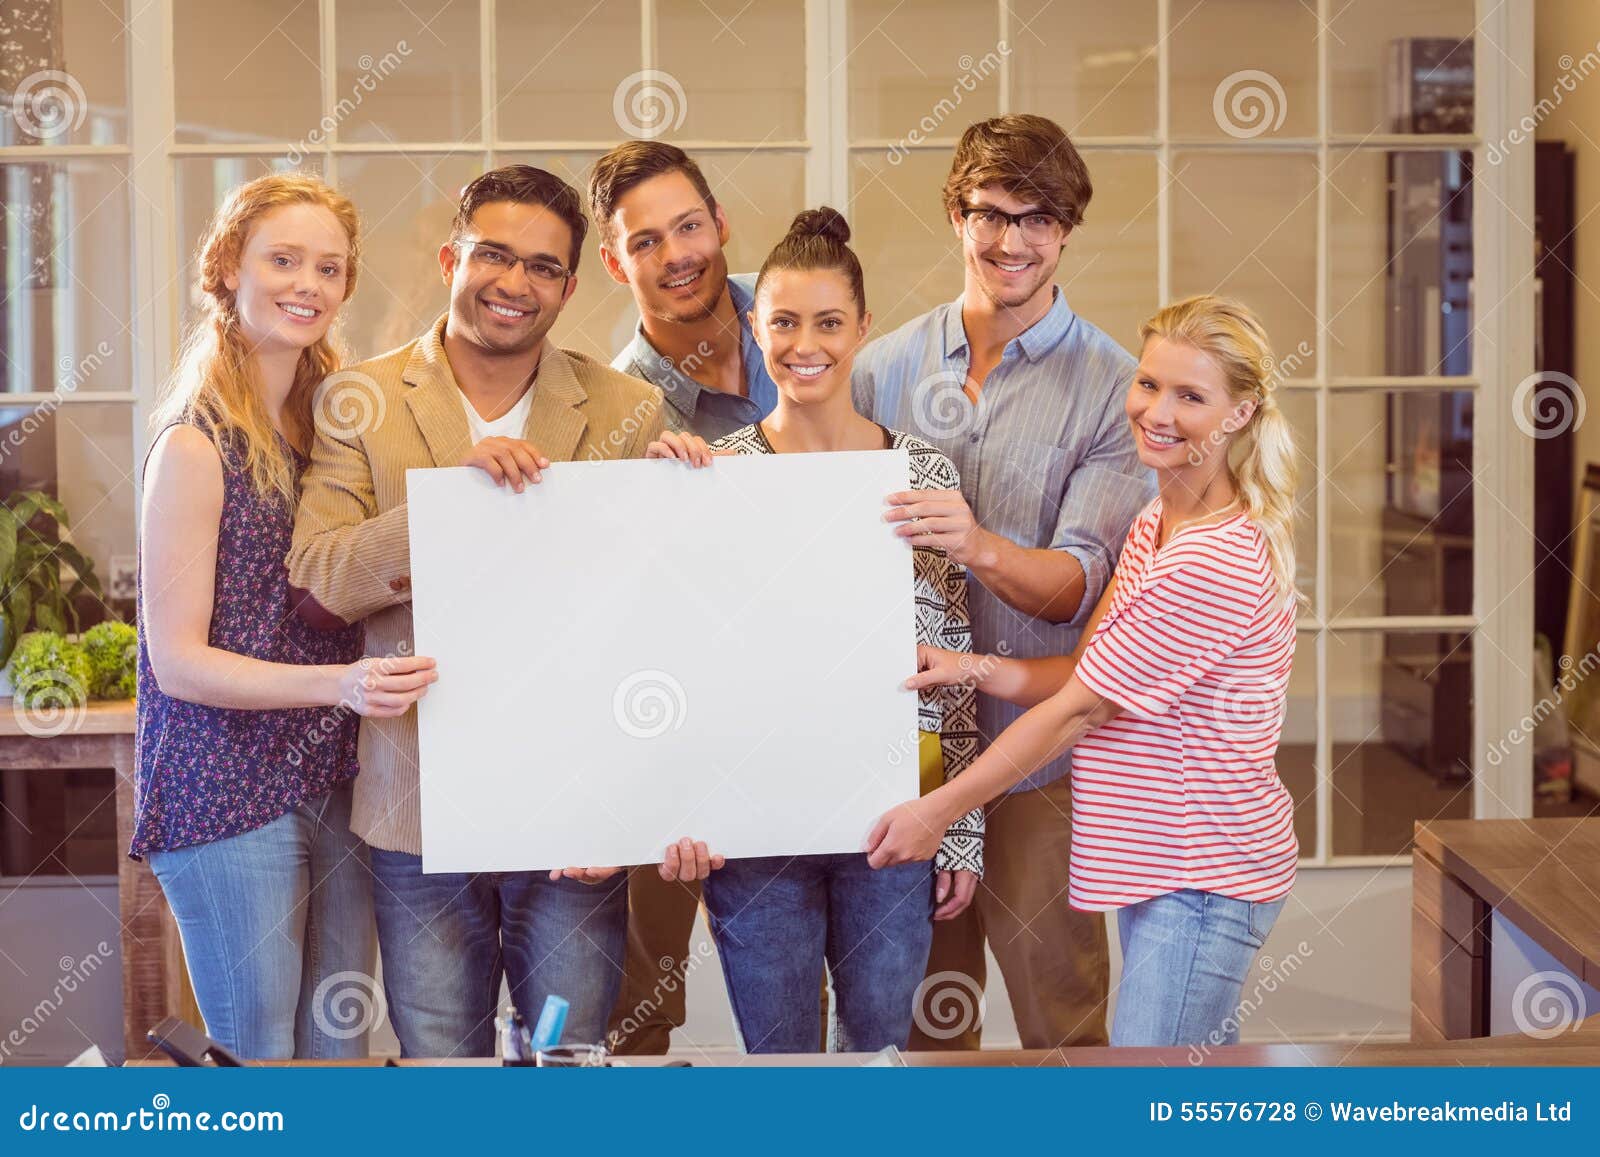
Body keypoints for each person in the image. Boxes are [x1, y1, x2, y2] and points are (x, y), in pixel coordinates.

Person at [286, 165, 668, 1058]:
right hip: (419, 810)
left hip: (576, 811)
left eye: (542, 267)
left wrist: (629, 802)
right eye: (494, 255)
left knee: (569, 1068)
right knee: (441, 1071)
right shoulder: (360, 401)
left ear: (570, 288)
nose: (514, 283)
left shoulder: (629, 407)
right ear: (453, 257)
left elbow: (655, 615)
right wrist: (441, 510)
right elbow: (316, 580)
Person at [866, 294, 1302, 1048]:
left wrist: (936, 810)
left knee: (1141, 1109)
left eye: (1190, 396)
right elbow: (1082, 671)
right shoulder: (1156, 522)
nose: (1156, 411)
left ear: (1239, 414)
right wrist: (969, 666)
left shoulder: (1208, 561)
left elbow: (1076, 711)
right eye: (1149, 384)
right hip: (1165, 867)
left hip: (1201, 876)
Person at [649, 207, 985, 1053]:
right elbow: (680, 666)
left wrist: (961, 826)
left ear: (863, 328)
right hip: (755, 830)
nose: (808, 343)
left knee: (878, 1057)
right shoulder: (713, 474)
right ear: (755, 329)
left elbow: (944, 664)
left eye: (830, 322)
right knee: (781, 1067)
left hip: (890, 822)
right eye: (786, 321)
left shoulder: (920, 474)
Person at [852, 113, 1153, 1049]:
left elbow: (1075, 593)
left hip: (1039, 765)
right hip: (904, 759)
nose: (1011, 240)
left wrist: (977, 544)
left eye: (1038, 218)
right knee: (917, 1027)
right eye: (990, 213)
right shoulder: (880, 368)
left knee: (1063, 1025)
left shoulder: (1113, 387)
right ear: (955, 214)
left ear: (1066, 230)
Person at [133, 172, 437, 1059]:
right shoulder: (193, 444)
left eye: (329, 268)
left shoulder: (339, 429)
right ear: (227, 267)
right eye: (284, 259)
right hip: (223, 787)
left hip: (341, 778)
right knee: (258, 1059)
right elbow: (179, 661)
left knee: (337, 1052)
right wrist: (343, 683)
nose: (307, 283)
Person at [588, 140, 780, 1054]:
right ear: (615, 262)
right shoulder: (604, 409)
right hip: (656, 737)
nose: (677, 255)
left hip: (795, 729)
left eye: (690, 226)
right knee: (637, 1010)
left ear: (722, 224)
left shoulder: (812, 336)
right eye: (647, 240)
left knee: (808, 1000)